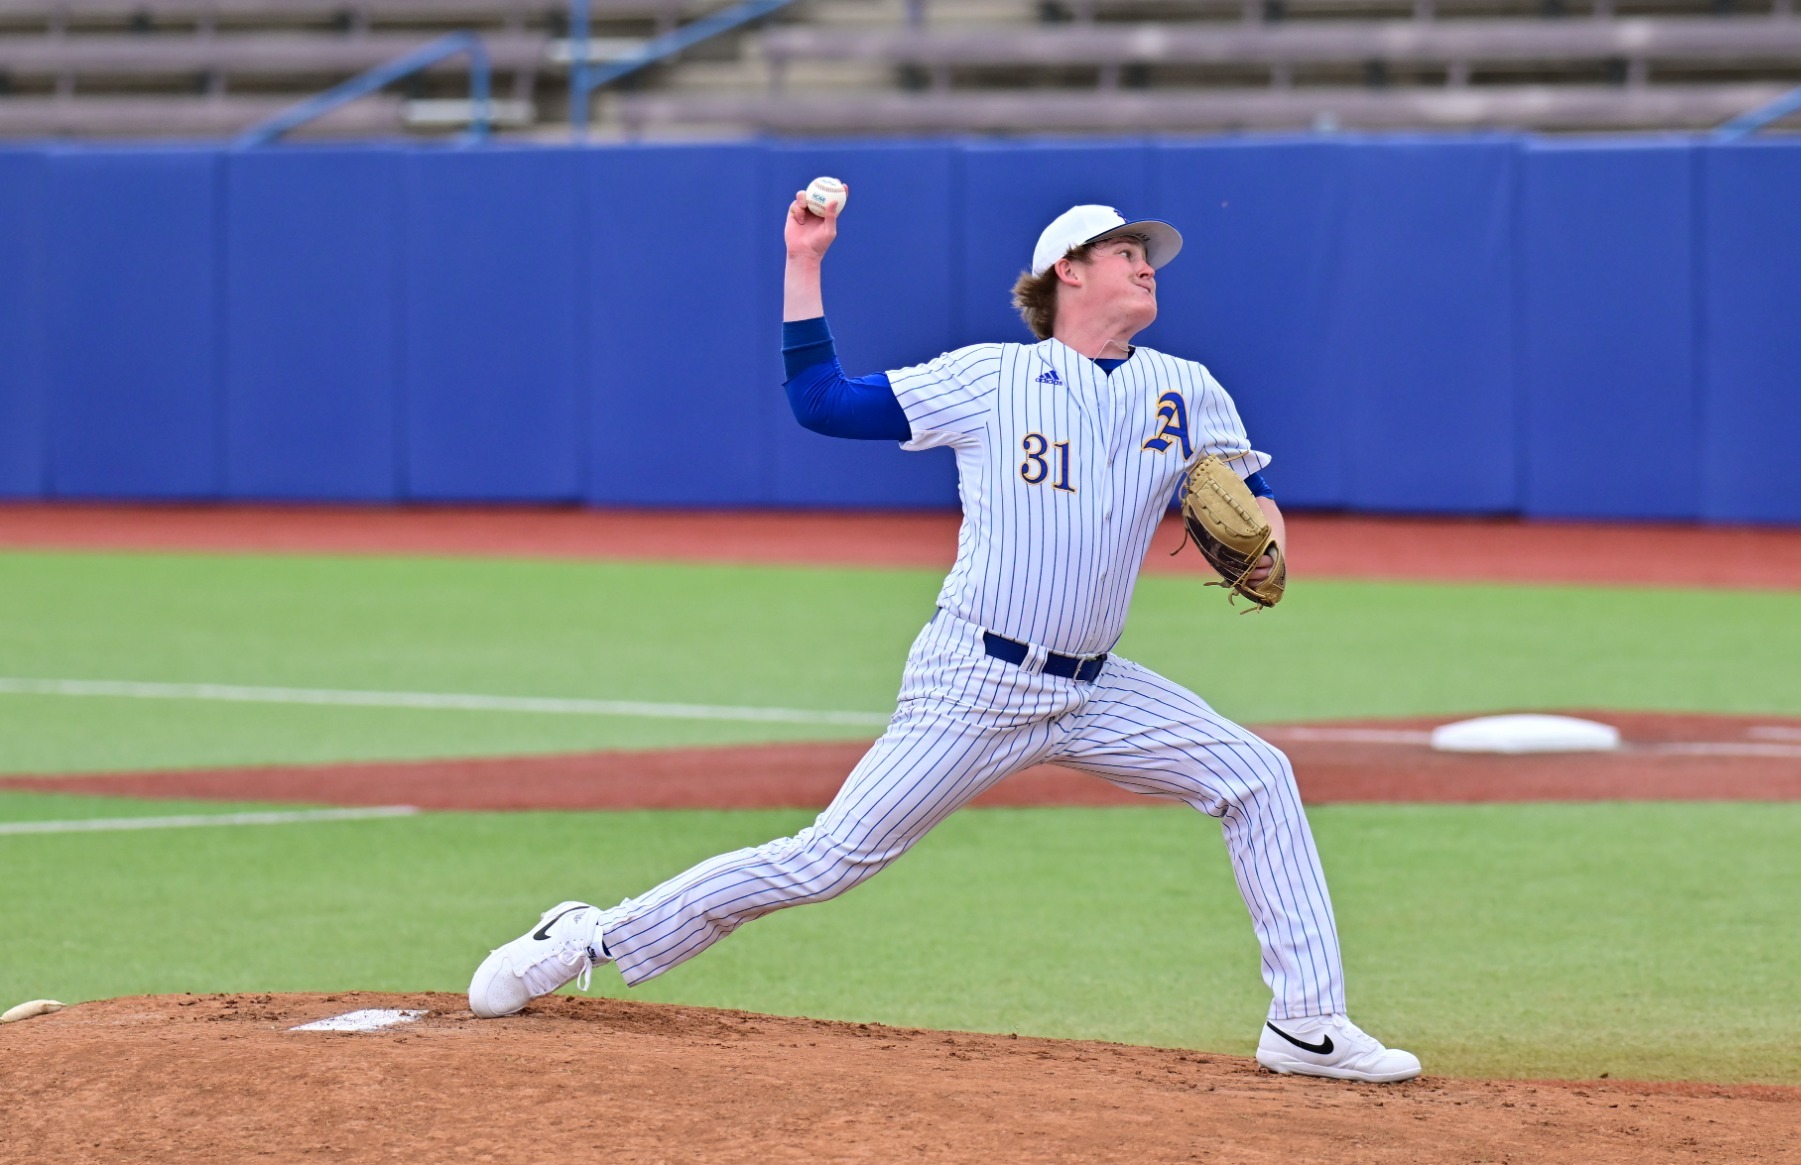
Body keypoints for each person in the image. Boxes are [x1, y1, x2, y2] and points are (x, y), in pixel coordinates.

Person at [467, 190, 1421, 1084]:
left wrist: (1270, 546)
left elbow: (1251, 507)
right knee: (825, 861)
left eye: (1149, 254)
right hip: (976, 680)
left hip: (1095, 689)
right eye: (1124, 251)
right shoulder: (989, 377)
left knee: (1257, 776)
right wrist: (806, 261)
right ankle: (588, 935)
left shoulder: (1187, 390)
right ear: (1067, 274)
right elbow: (823, 404)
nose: (1146, 265)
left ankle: (1307, 1022)